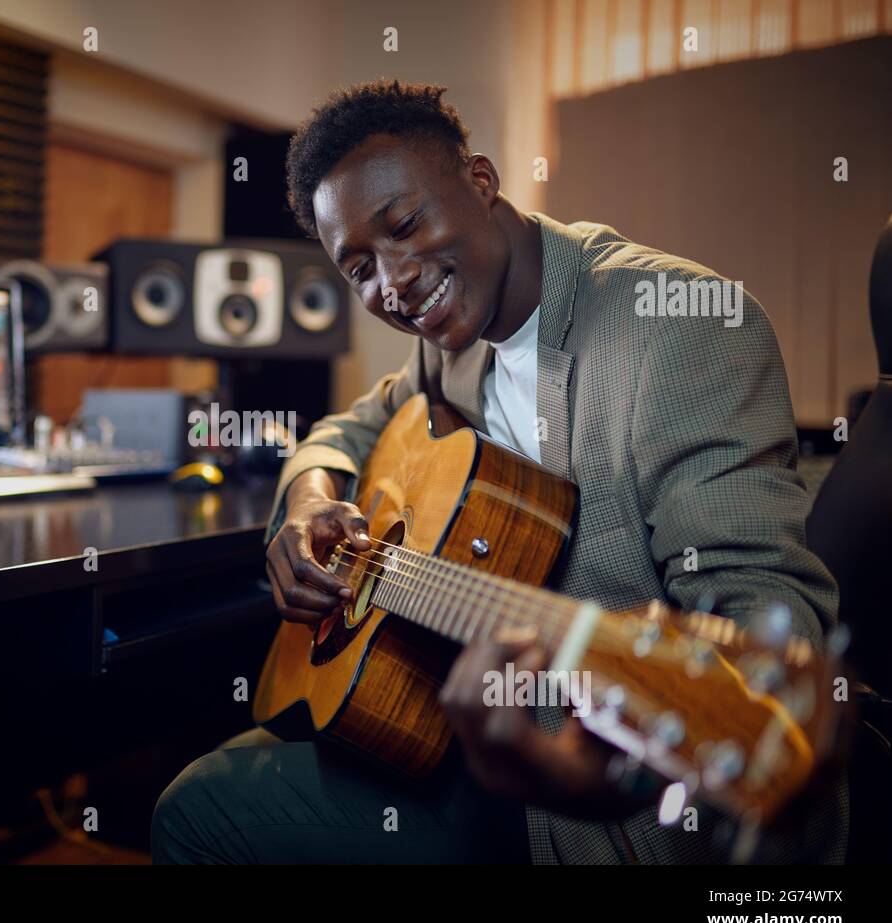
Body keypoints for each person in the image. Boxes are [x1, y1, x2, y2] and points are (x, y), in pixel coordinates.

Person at [153, 80, 845, 864]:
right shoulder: (451, 336)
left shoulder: (681, 329)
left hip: (620, 817)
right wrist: (310, 494)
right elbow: (351, 426)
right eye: (359, 269)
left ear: (481, 182)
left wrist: (610, 773)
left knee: (198, 815)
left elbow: (763, 627)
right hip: (461, 728)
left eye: (405, 225)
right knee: (206, 779)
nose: (395, 283)